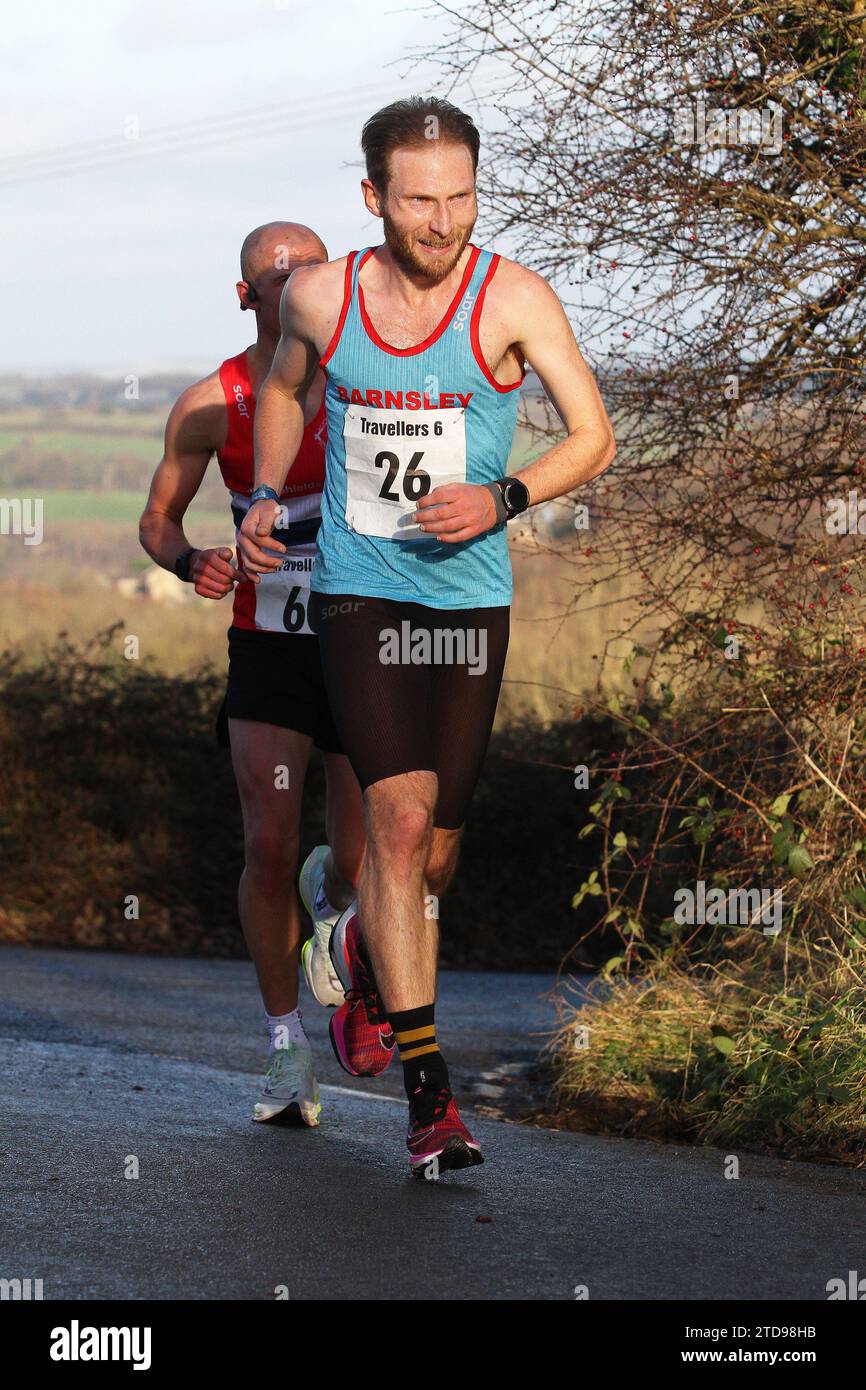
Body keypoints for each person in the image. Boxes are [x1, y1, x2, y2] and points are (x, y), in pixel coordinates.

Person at [238, 100, 616, 1176]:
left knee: (435, 855)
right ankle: (429, 1101)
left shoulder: (512, 298)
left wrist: (502, 495)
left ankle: (359, 937)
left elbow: (592, 434)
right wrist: (264, 492)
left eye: (459, 196)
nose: (442, 220)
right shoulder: (323, 294)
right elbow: (283, 386)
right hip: (361, 591)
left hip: (467, 598)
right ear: (373, 199)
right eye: (418, 200)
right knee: (396, 827)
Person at [139, 221, 368, 1130]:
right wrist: (188, 558)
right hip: (268, 647)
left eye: (309, 266)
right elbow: (157, 519)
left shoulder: (362, 385)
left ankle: (332, 899)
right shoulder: (211, 403)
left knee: (356, 863)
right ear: (246, 296)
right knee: (265, 846)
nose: (294, 281)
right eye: (276, 273)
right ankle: (286, 1052)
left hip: (358, 641)